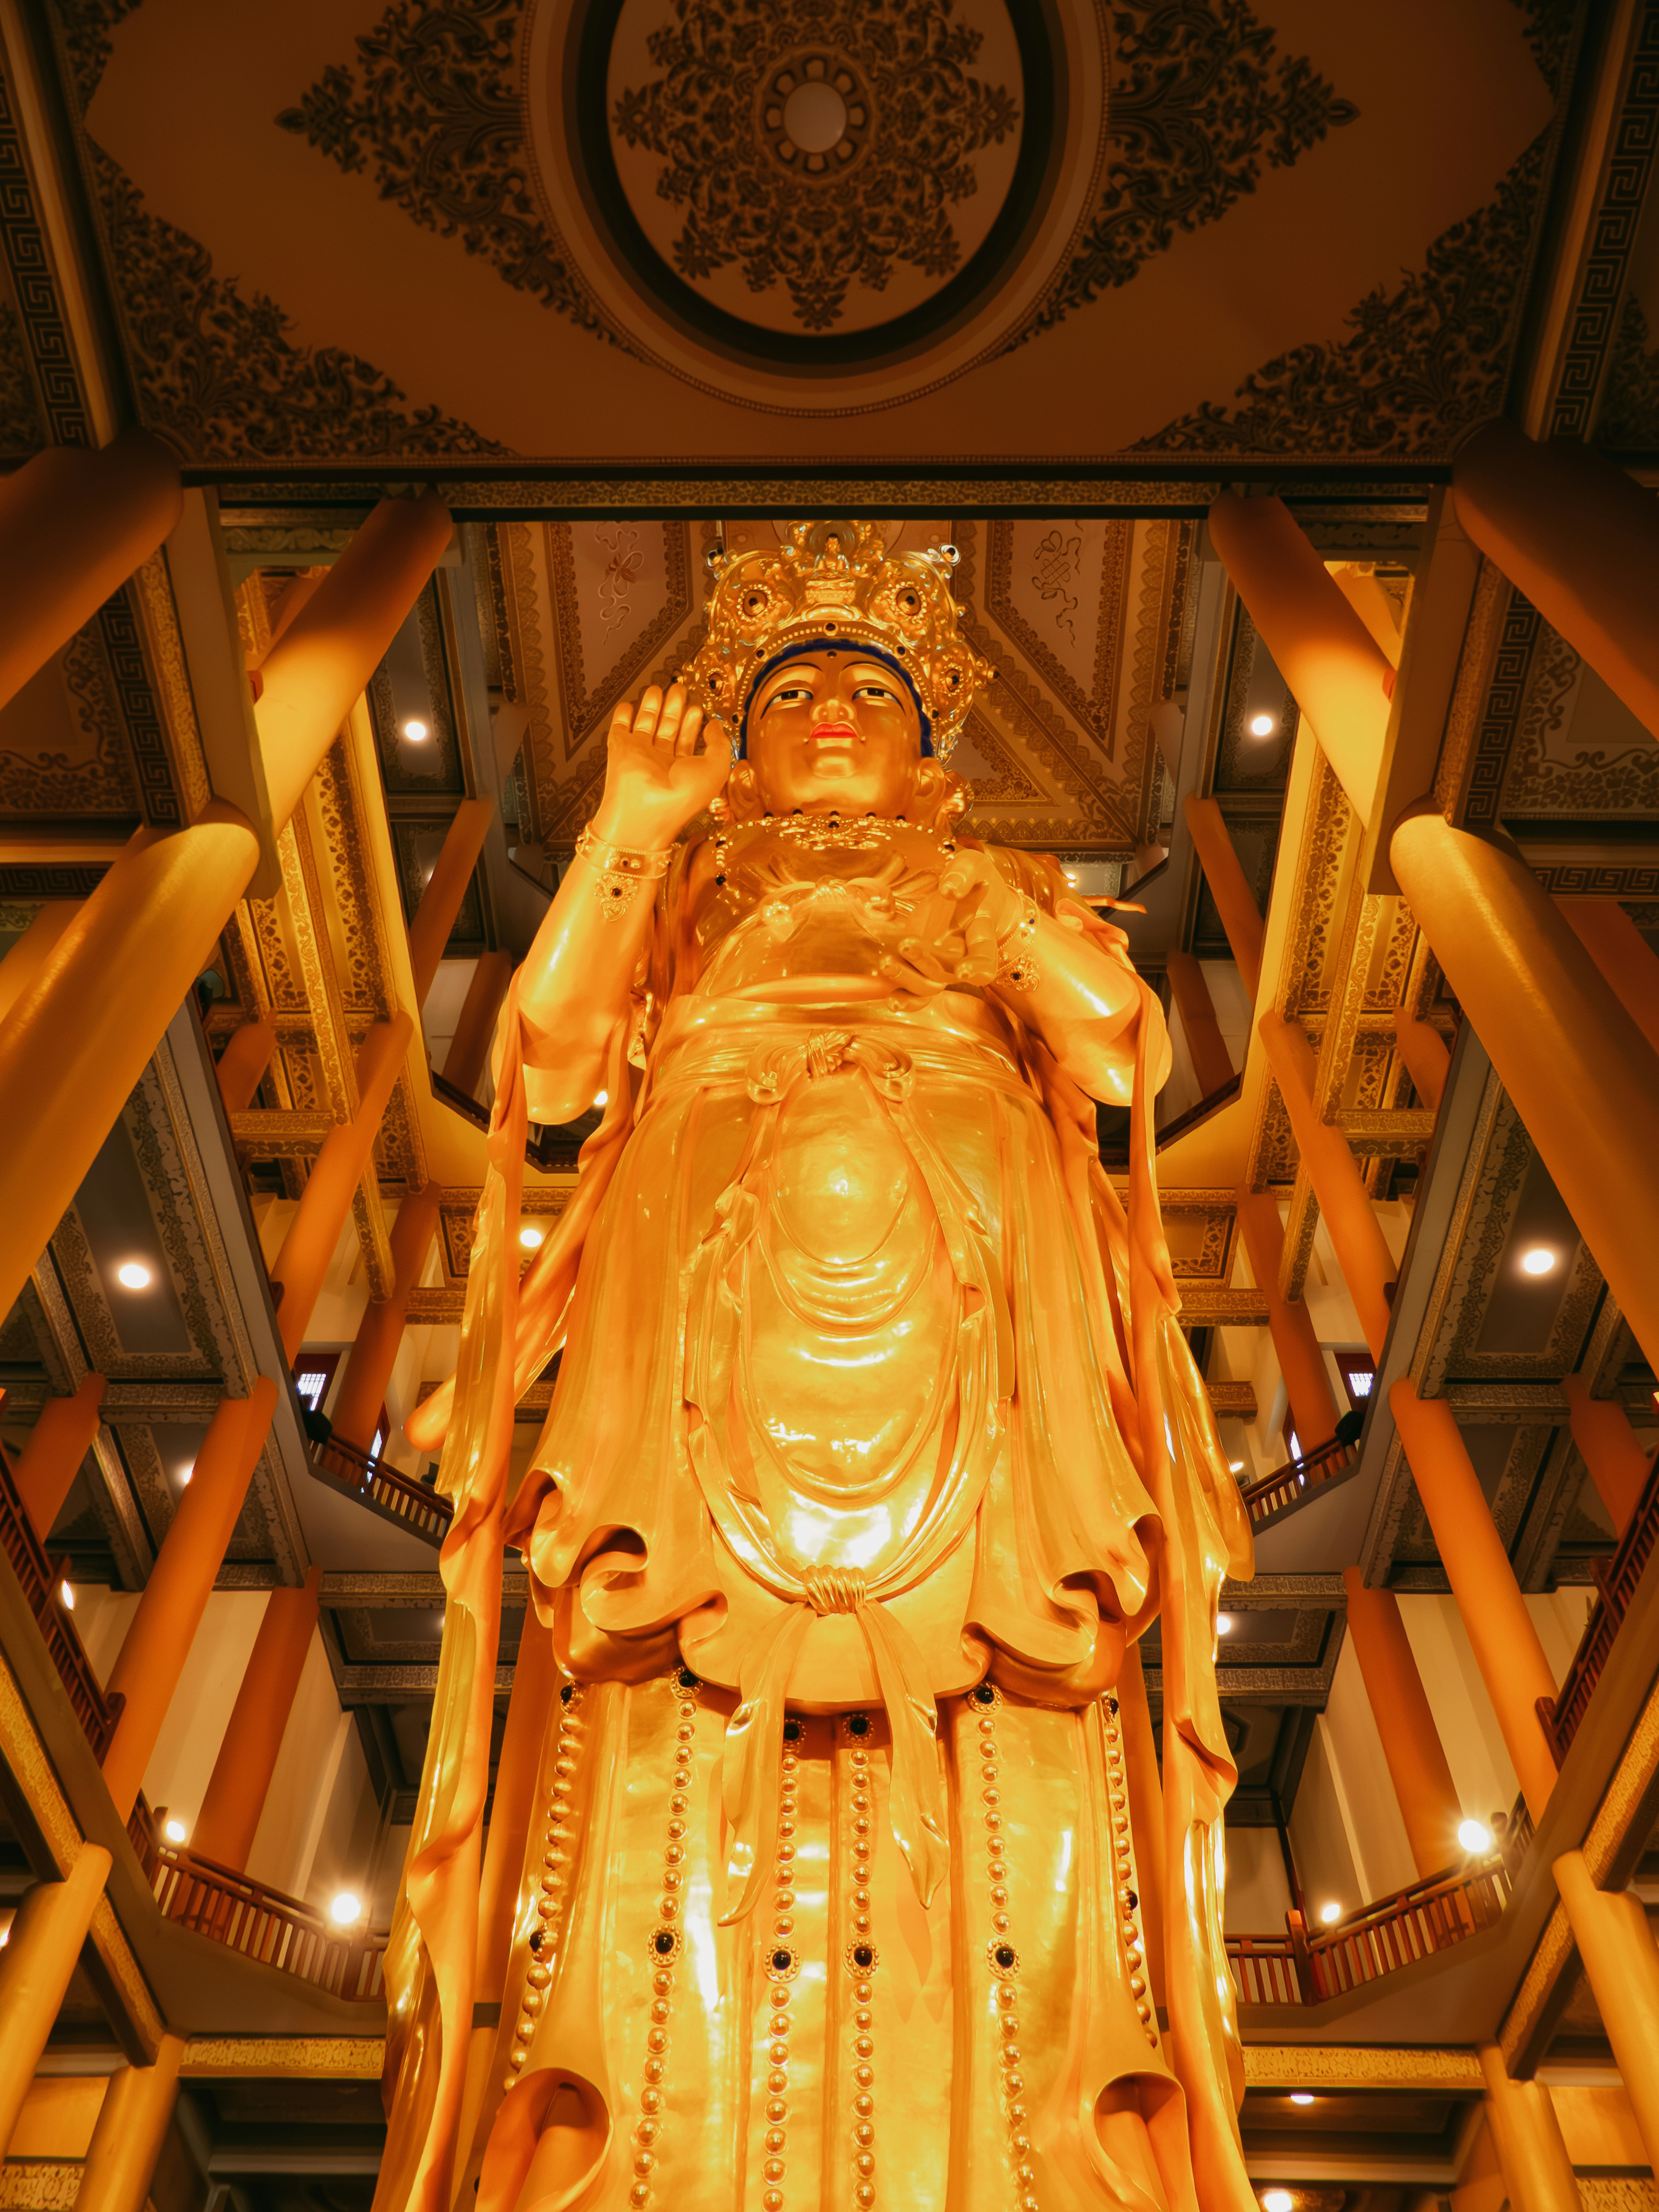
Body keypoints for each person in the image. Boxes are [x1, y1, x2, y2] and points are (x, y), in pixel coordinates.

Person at [375, 525, 1256, 2212]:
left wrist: (993, 912)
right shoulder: (695, 888)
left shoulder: (991, 885)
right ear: (737, 733)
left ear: (934, 743)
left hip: (978, 1297)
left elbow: (1120, 1047)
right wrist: (631, 838)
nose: (836, 710)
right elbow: (549, 1065)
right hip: (703, 1286)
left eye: (873, 687)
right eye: (793, 688)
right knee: (652, 1669)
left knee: (1020, 1666)